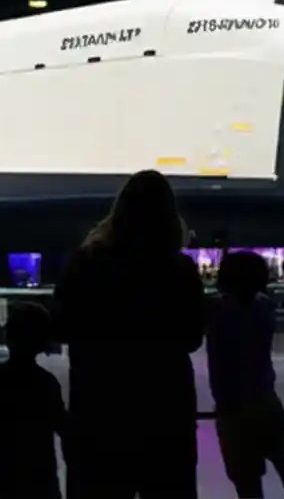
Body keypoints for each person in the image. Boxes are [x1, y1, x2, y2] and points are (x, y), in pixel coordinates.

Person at [53, 169, 206, 499]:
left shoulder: (87, 263)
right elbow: (192, 336)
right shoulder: (178, 271)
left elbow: (63, 325)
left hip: (98, 413)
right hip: (165, 415)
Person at [207, 251, 284, 499]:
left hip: (232, 407)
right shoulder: (264, 306)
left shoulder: (218, 311)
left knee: (247, 483)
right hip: (266, 399)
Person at [0, 302, 65, 499]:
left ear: (8, 335)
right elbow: (62, 424)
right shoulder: (47, 382)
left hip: (5, 477)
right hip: (42, 479)